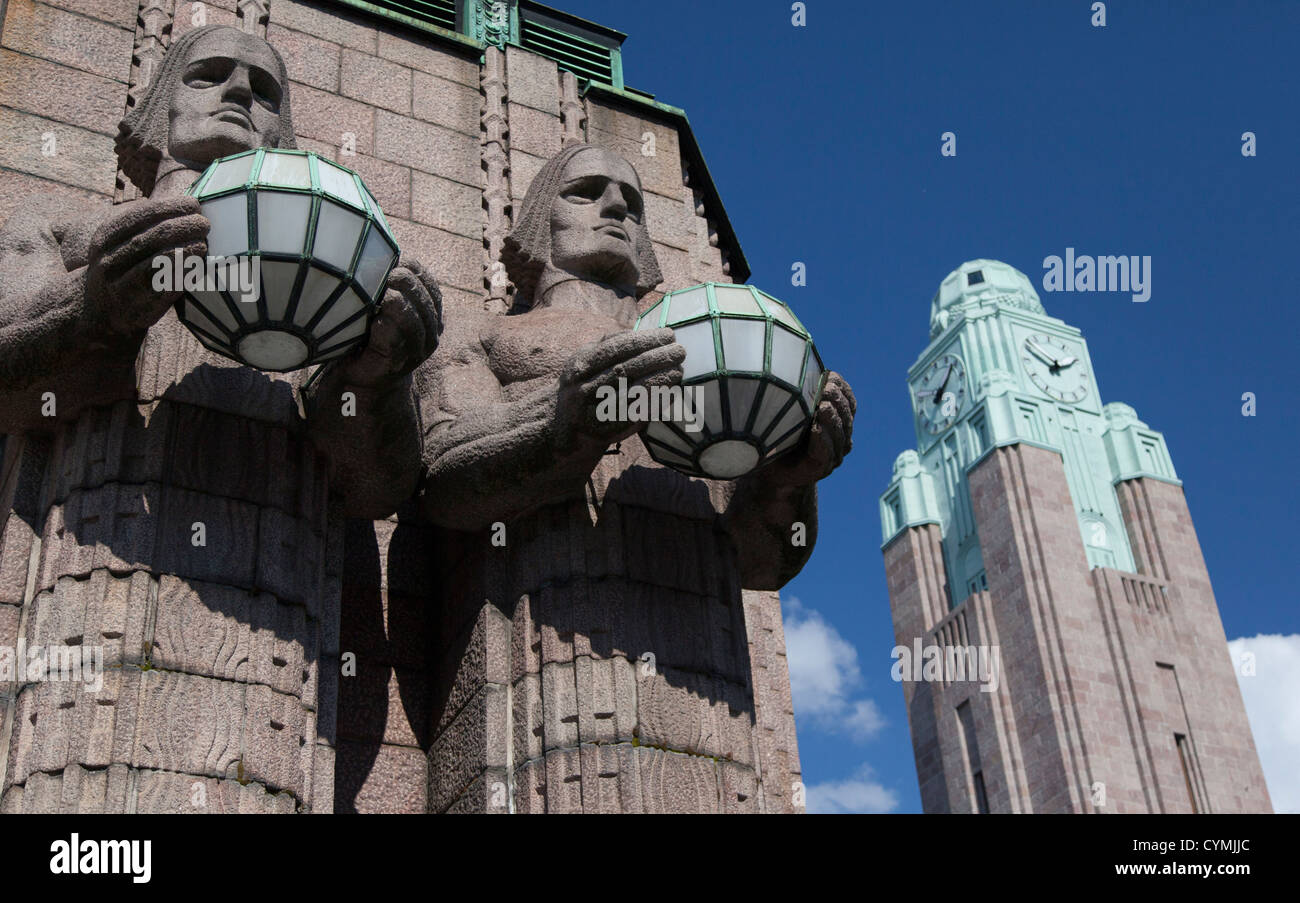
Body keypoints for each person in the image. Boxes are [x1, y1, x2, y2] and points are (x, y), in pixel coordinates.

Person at [0, 25, 440, 812]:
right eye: (210, 75)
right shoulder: (63, 234)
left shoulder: (330, 287)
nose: (239, 93)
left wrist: (377, 374)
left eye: (264, 90)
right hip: (76, 616)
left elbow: (380, 484)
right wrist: (93, 308)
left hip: (275, 660)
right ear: (158, 106)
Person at [415, 143, 855, 811]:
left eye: (632, 199)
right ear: (539, 222)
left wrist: (791, 478)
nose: (617, 205)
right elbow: (443, 482)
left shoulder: (714, 361)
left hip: (712, 701)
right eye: (586, 190)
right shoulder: (481, 339)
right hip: (544, 693)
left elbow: (761, 562)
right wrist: (567, 425)